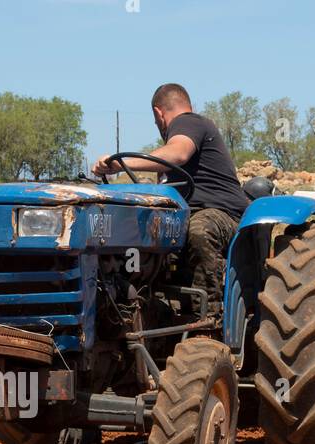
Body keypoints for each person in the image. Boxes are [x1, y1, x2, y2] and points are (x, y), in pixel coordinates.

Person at [91, 83, 248, 309]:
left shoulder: (189, 122)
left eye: (156, 121)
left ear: (158, 113)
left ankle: (207, 316)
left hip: (226, 216)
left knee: (200, 229)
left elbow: (178, 152)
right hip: (188, 214)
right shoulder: (172, 155)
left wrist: (120, 163)